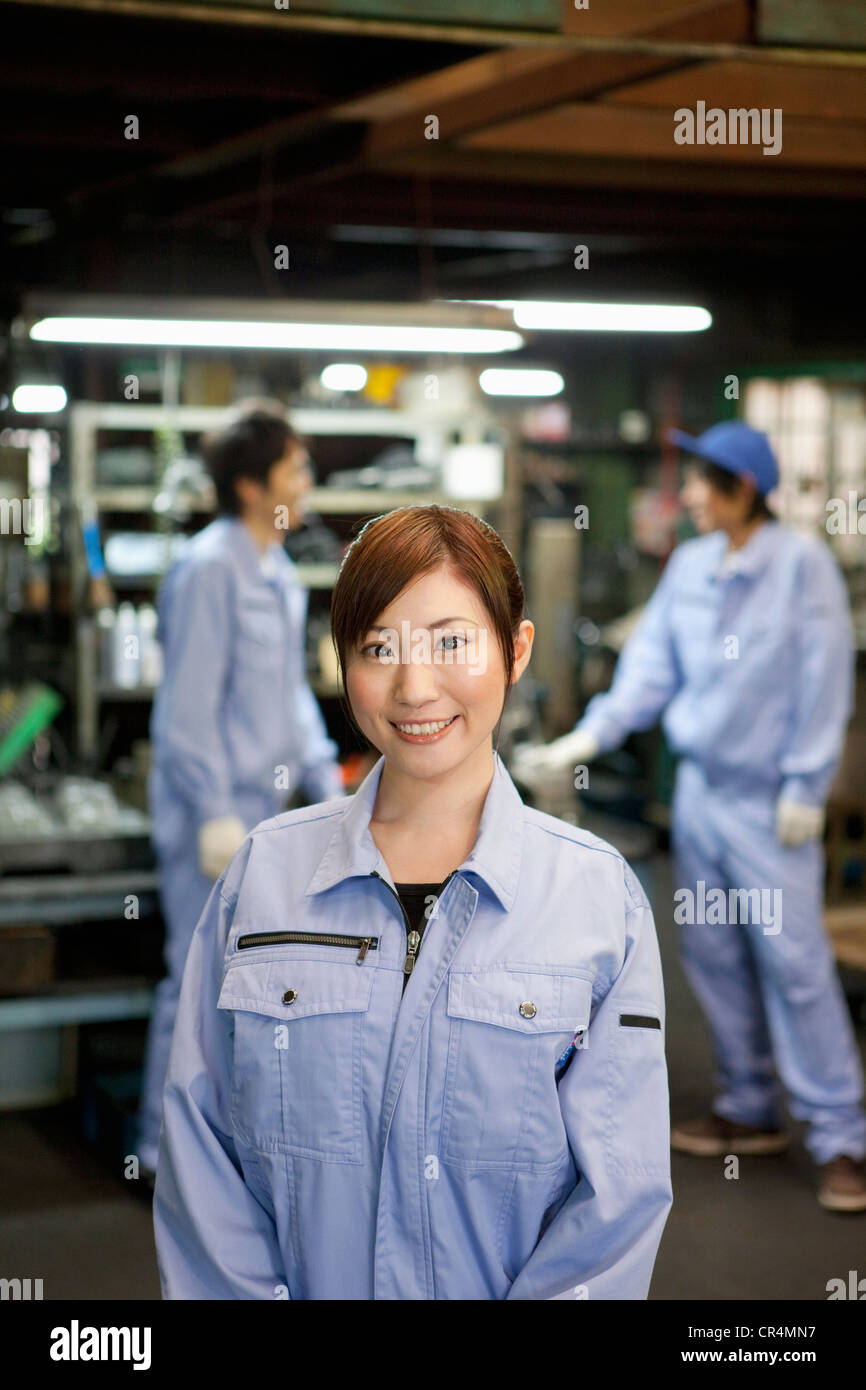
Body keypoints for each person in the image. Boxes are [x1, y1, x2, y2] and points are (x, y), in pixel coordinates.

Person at [153, 504, 673, 1299]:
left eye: (451, 641)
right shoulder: (264, 877)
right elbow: (202, 1159)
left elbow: (617, 1204)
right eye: (378, 647)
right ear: (343, 664)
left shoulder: (597, 901)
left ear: (516, 649)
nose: (414, 685)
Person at [515, 421, 866, 1211]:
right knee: (709, 951)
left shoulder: (801, 567)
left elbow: (824, 676)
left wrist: (807, 787)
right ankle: (748, 1106)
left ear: (742, 490)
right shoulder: (696, 565)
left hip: (769, 799)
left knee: (796, 966)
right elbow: (651, 669)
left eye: (704, 486)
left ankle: (843, 1138)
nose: (691, 501)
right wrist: (588, 734)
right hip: (703, 792)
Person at [136, 407, 343, 1176]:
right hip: (210, 814)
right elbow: (186, 710)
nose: (308, 485)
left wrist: (329, 779)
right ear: (253, 486)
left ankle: (220, 1147)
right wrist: (214, 810)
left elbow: (290, 694)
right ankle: (159, 1158)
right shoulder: (209, 568)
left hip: (266, 807)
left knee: (249, 981)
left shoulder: (278, 570)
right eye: (296, 471)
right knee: (194, 978)